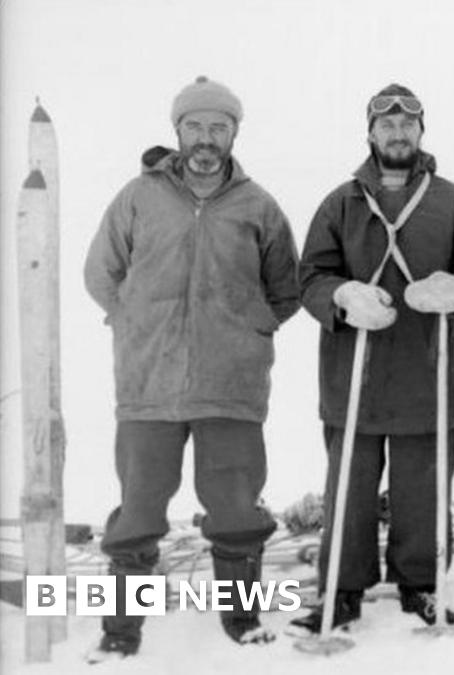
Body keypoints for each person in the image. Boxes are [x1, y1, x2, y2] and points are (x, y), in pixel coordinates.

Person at [83, 76, 300, 658]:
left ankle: (241, 618)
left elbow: (286, 288)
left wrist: (250, 327)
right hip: (148, 384)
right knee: (138, 510)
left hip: (230, 384)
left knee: (234, 505)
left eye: (219, 127)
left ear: (234, 133)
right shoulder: (137, 197)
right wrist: (132, 320)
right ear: (178, 130)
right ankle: (123, 630)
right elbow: (101, 273)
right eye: (196, 126)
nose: (207, 138)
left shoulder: (258, 205)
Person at [291, 84, 454, 633]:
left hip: (426, 372)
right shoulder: (341, 203)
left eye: (408, 123)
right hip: (353, 374)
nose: (398, 133)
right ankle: (341, 592)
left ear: (421, 131)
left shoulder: (452, 202)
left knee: (423, 489)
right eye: (387, 125)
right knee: (350, 491)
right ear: (370, 133)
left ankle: (422, 586)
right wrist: (341, 297)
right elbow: (310, 276)